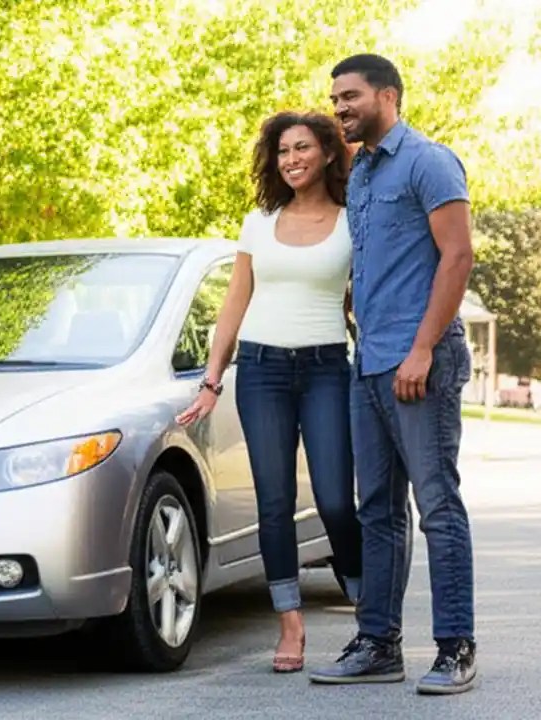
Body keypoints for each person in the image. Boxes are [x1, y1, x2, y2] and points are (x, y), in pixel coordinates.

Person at [308, 53, 478, 695]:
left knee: (437, 505)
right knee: (376, 509)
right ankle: (379, 643)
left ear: (388, 95)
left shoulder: (429, 161)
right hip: (369, 361)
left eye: (350, 96)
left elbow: (457, 256)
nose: (341, 107)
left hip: (419, 363)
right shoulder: (360, 174)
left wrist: (423, 348)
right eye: (336, 99)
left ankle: (456, 646)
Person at [176, 110, 362, 674]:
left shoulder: (355, 219)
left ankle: (370, 613)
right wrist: (212, 380)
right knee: (274, 502)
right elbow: (235, 302)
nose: (292, 160)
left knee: (334, 499)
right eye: (282, 151)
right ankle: (291, 624)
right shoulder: (259, 222)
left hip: (328, 367)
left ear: (328, 153)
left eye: (303, 148)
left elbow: (366, 298)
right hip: (261, 370)